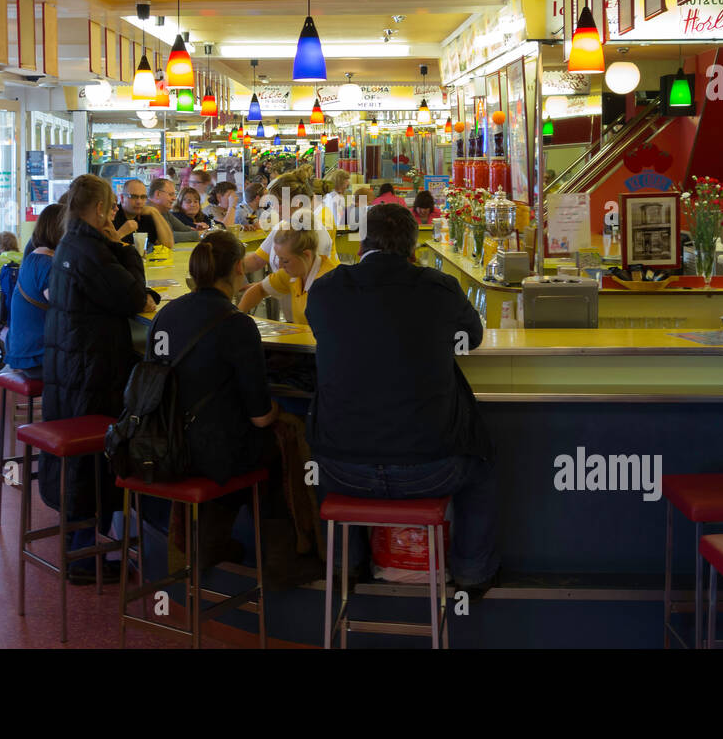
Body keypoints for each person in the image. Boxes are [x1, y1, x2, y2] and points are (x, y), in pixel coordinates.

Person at [305, 203, 500, 596]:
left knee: (326, 468)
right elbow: (472, 337)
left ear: (361, 245)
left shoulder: (325, 289)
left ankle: (345, 567)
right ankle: (472, 575)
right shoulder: (439, 288)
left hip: (340, 467)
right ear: (415, 247)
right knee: (482, 471)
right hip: (430, 467)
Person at [43, 174, 157, 583]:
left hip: (72, 365)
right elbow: (131, 295)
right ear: (97, 211)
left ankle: (82, 548)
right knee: (93, 459)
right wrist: (124, 247)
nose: (115, 214)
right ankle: (83, 557)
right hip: (91, 369)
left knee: (84, 465)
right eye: (111, 208)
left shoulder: (71, 244)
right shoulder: (91, 250)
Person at [148, 231, 278, 484]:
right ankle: (269, 522)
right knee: (286, 434)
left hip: (160, 442)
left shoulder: (165, 314)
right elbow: (260, 417)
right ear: (240, 267)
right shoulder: (237, 324)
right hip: (212, 454)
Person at [238, 211, 339, 326]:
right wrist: (236, 317)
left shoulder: (329, 283)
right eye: (278, 259)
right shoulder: (293, 272)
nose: (280, 266)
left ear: (306, 255)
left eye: (285, 260)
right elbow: (258, 290)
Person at [243, 171, 337, 275]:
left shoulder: (315, 233)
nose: (274, 208)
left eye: (278, 203)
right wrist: (230, 268)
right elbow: (257, 260)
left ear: (296, 202)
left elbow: (298, 278)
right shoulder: (282, 226)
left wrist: (264, 287)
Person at [7, 204, 63, 378]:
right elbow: (63, 306)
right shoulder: (48, 265)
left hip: (22, 350)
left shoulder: (34, 257)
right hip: (36, 357)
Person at [113, 178, 175, 250]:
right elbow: (103, 249)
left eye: (143, 197)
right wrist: (122, 232)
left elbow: (168, 245)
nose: (139, 201)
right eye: (134, 197)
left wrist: (155, 212)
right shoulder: (112, 214)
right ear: (122, 198)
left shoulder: (146, 216)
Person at [146, 177, 201, 243]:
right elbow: (168, 237)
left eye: (174, 194)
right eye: (171, 194)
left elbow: (183, 229)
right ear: (158, 194)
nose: (174, 198)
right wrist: (199, 235)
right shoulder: (147, 212)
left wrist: (198, 231)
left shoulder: (164, 210)